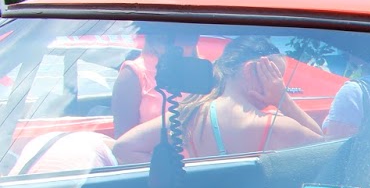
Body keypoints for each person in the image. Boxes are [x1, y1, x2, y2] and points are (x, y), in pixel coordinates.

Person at [113, 36, 323, 164]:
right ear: (251, 71)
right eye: (275, 77)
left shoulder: (188, 114)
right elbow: (329, 149)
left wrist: (183, 178)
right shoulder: (275, 127)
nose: (278, 85)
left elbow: (123, 147)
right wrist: (282, 99)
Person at [111, 24, 187, 136]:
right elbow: (123, 142)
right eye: (165, 34)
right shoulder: (133, 73)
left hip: (208, 153)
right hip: (156, 152)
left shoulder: (207, 71)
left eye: (188, 34)